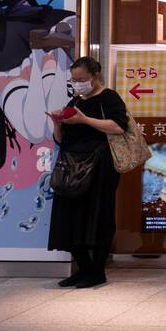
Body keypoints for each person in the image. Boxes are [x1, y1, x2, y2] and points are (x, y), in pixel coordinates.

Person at [48, 56, 129, 288]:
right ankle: (84, 268)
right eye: (74, 79)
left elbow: (118, 126)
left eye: (81, 79)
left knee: (98, 217)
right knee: (68, 218)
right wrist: (57, 123)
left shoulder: (108, 97)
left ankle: (97, 271)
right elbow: (61, 141)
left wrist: (84, 120)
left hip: (99, 167)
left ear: (95, 76)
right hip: (71, 166)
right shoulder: (76, 100)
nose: (77, 83)